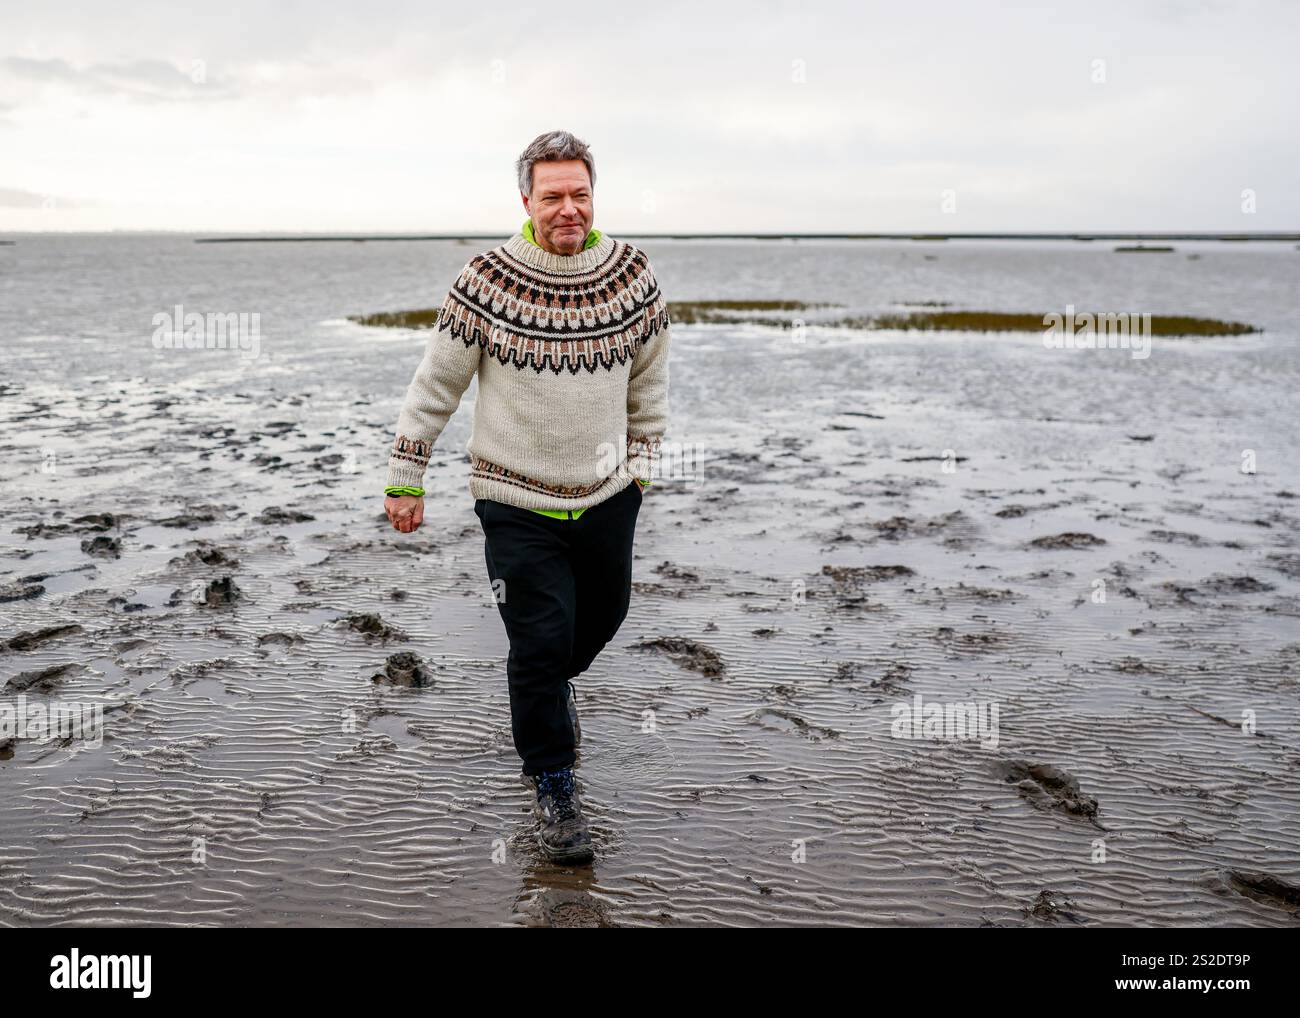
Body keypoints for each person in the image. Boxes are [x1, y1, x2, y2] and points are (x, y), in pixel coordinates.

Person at [382, 130, 670, 864]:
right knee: (539, 645)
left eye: (580, 193)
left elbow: (648, 385)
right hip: (512, 498)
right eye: (553, 196)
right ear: (526, 201)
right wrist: (405, 474)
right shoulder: (484, 280)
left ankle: (548, 693)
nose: (568, 208)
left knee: (602, 619)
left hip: (608, 495)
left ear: (593, 195)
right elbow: (436, 384)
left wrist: (642, 469)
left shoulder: (634, 276)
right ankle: (554, 783)